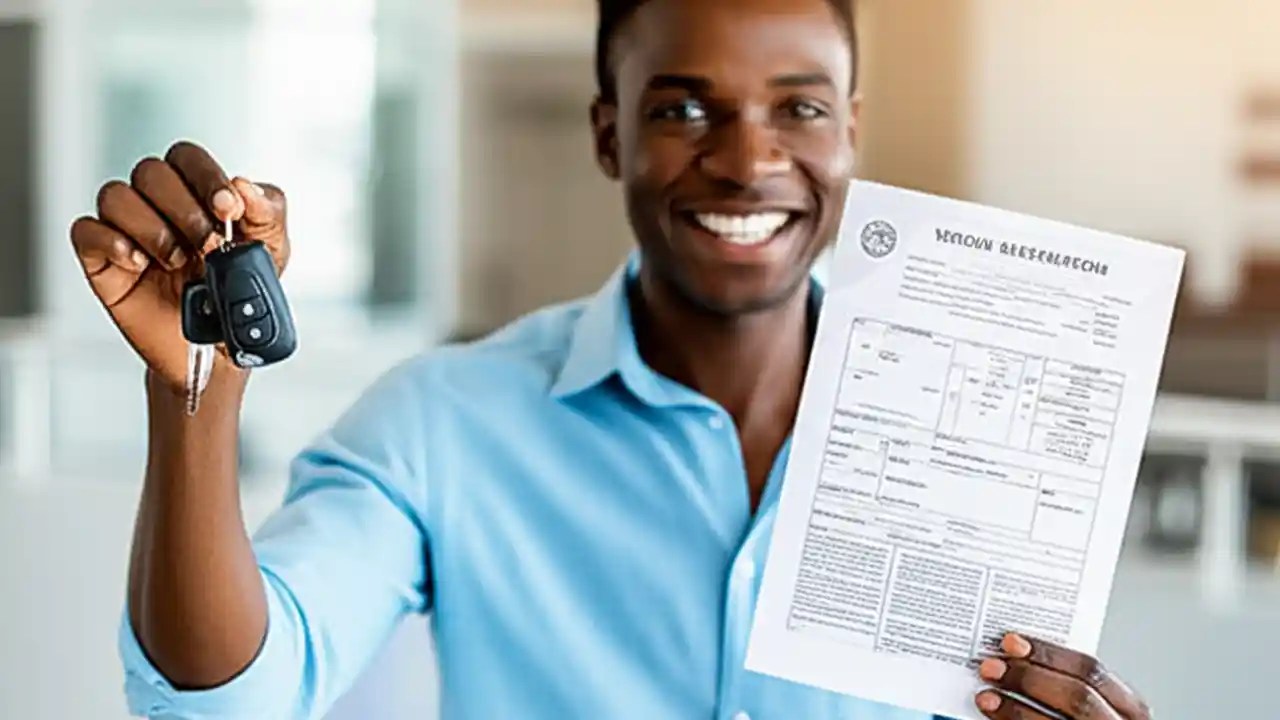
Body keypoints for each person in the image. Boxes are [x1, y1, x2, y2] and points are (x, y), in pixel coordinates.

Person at [70, 0, 1155, 718]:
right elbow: (225, 696)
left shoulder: (993, 442)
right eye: (683, 108)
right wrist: (195, 394)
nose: (744, 161)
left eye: (799, 108)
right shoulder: (444, 424)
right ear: (607, 135)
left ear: (850, 132)